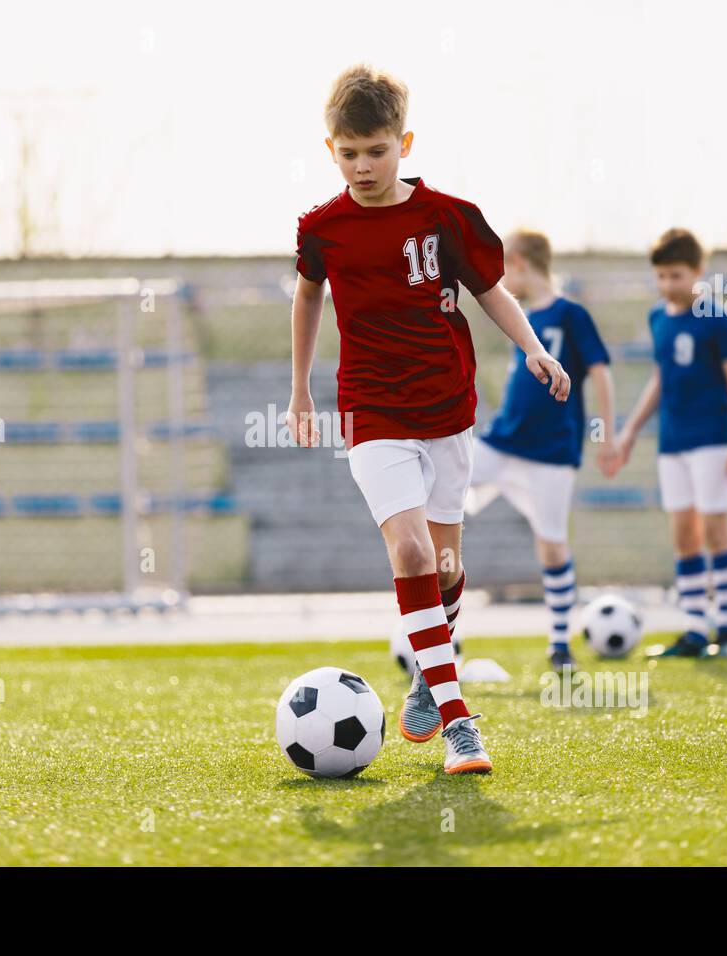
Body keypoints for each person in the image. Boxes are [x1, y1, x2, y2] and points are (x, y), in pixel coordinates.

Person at [288, 66, 570, 774]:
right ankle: (460, 724)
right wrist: (299, 390)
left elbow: (492, 291)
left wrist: (533, 349)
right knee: (411, 556)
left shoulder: (447, 217)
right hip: (373, 412)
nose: (362, 166)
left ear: (404, 142)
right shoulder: (323, 229)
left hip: (447, 410)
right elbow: (307, 298)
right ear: (331, 150)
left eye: (376, 151)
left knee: (445, 567)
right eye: (348, 153)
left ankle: (427, 670)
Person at [466, 231, 616, 670]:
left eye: (503, 267)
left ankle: (559, 642)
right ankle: (438, 630)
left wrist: (604, 434)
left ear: (519, 262)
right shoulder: (524, 317)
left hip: (552, 451)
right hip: (504, 441)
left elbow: (601, 373)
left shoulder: (571, 314)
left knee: (551, 545)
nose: (501, 278)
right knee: (441, 483)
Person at [608, 228, 727, 658]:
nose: (668, 284)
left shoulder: (716, 318)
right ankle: (693, 629)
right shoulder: (658, 318)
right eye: (662, 276)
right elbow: (660, 379)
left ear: (698, 271)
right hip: (673, 442)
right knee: (684, 535)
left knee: (714, 529)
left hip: (713, 440)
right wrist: (630, 430)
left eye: (676, 275)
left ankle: (726, 629)